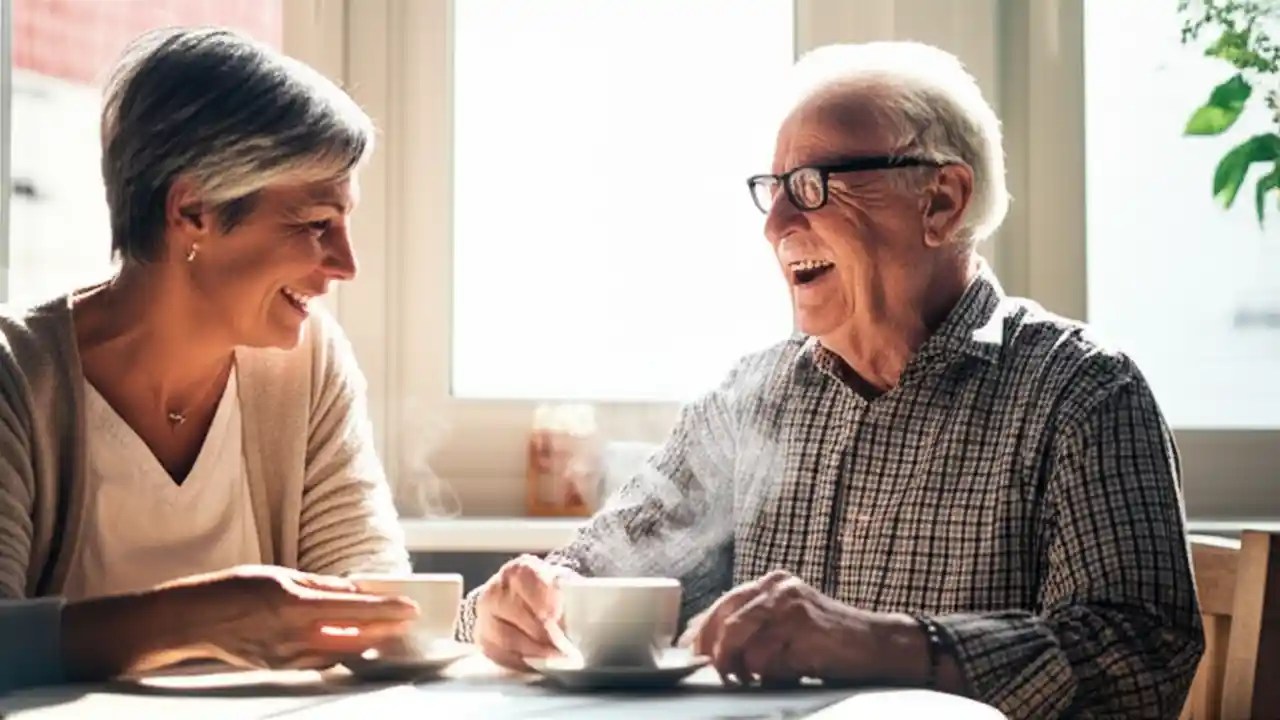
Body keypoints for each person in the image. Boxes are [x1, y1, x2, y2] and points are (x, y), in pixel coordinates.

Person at [459, 41, 1203, 719]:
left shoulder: (1083, 394)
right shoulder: (749, 401)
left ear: (941, 201)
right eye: (774, 186)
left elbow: (1139, 657)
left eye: (814, 184)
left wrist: (884, 645)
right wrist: (529, 601)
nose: (775, 222)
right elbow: (596, 572)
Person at [0, 26, 412, 673]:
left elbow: (376, 601)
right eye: (315, 225)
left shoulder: (308, 366)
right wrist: (198, 620)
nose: (346, 264)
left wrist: (487, 621)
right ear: (193, 210)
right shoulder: (16, 379)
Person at [0, 565, 418, 693]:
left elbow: (376, 610)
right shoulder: (19, 379)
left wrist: (477, 615)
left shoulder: (311, 372)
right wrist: (181, 622)